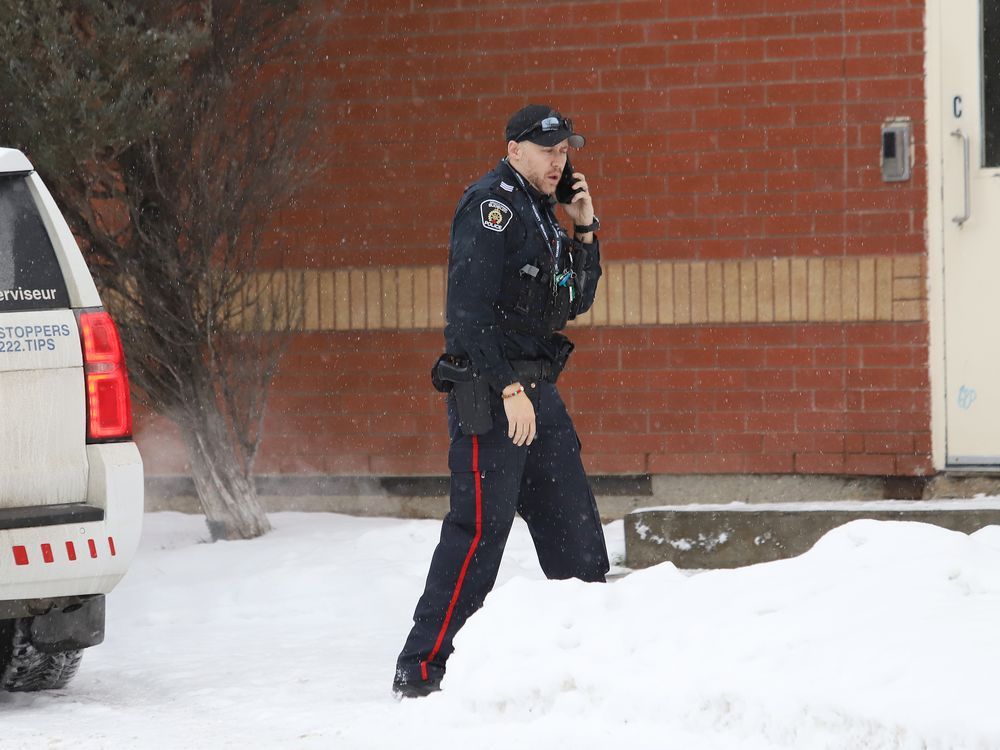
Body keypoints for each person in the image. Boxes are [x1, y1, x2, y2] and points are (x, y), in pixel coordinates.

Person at [392, 104, 609, 699]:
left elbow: (574, 301)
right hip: (493, 396)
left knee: (577, 531)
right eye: (547, 151)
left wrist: (585, 227)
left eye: (564, 152)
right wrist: (508, 388)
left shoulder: (545, 212)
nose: (558, 161)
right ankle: (422, 666)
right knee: (478, 535)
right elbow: (467, 316)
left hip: (540, 395)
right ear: (515, 150)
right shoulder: (490, 207)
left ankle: (593, 661)